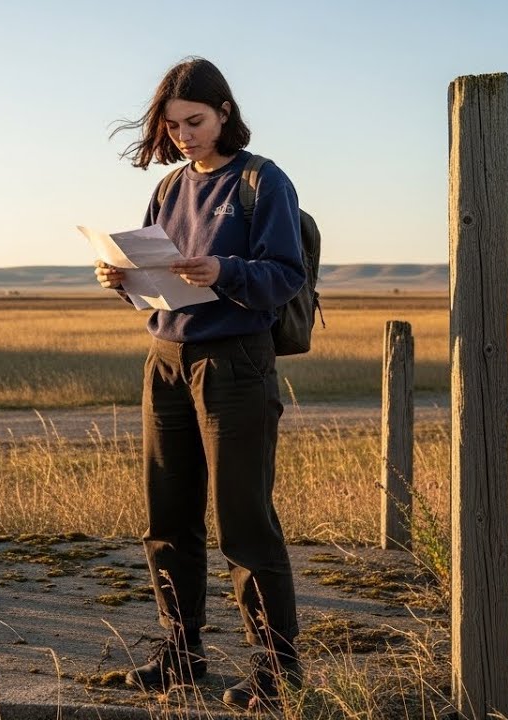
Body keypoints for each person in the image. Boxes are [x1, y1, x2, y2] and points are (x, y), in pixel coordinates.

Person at [96, 57, 306, 709]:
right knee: (167, 515)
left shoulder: (261, 182)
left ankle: (278, 671)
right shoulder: (167, 190)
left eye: (196, 121)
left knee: (243, 520)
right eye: (173, 125)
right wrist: (123, 282)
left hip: (235, 361)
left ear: (225, 114)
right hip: (165, 358)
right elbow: (157, 277)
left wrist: (224, 269)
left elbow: (284, 275)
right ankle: (180, 653)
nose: (184, 135)